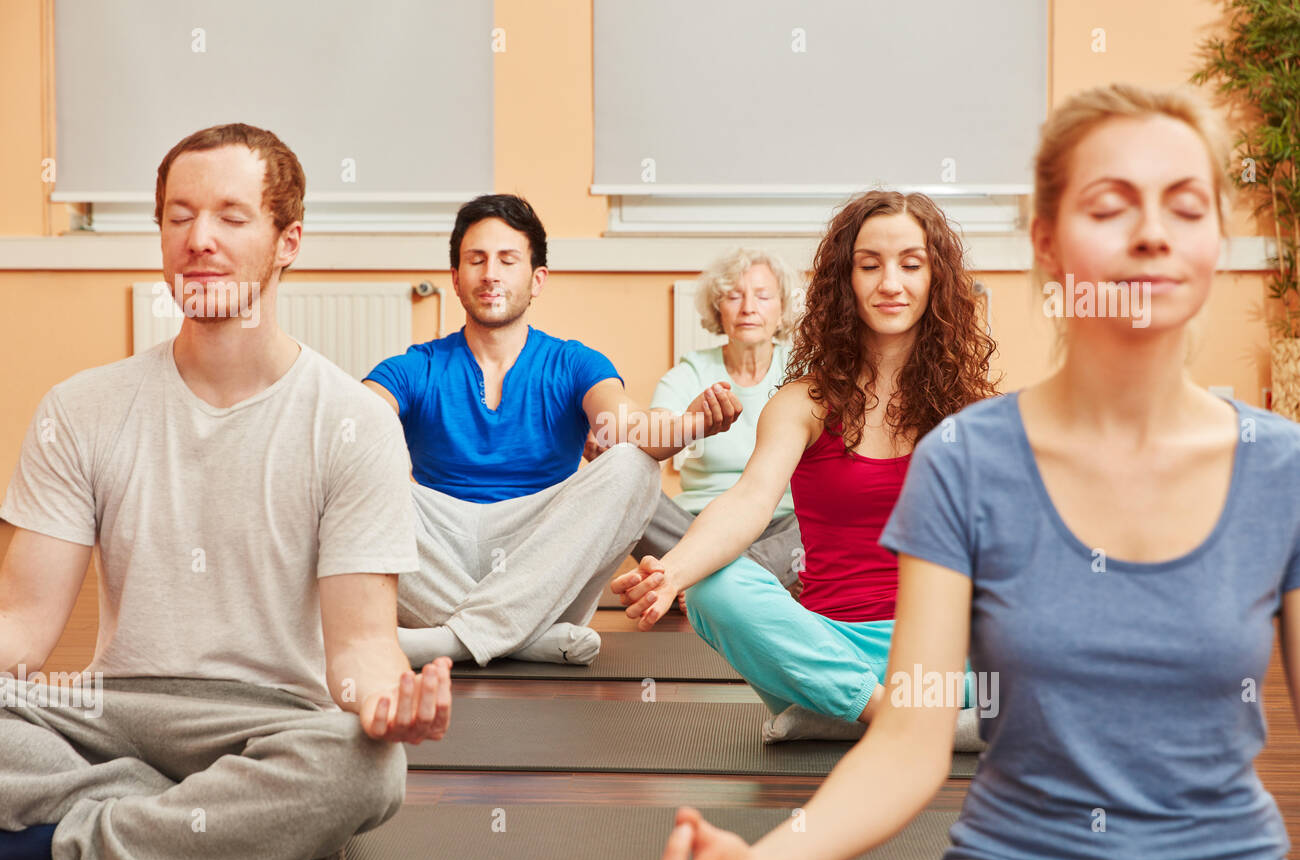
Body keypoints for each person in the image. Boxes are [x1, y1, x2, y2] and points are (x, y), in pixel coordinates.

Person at [660, 83, 1300, 860]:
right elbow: (907, 750)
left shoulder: (1282, 468)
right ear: (1046, 242)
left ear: (1218, 243)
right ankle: (844, 702)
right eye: (1109, 206)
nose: (1152, 235)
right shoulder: (971, 458)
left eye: (1188, 206)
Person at [0, 123, 450, 860]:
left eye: (230, 217)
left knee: (364, 766)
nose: (198, 239)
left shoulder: (355, 422)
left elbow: (362, 643)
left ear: (288, 241)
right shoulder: (79, 409)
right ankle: (208, 832)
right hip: (113, 713)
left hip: (271, 726)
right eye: (179, 217)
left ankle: (71, 846)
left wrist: (382, 700)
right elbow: (21, 627)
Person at [615, 190, 999, 745]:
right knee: (714, 588)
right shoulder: (803, 403)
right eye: (870, 266)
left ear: (936, 279)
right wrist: (673, 570)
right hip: (827, 647)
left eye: (910, 265)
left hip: (939, 649)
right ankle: (898, 719)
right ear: (845, 281)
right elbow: (749, 501)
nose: (890, 282)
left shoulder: (970, 415)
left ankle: (840, 716)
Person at [363, 195, 742, 670]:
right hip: (439, 549)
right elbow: (356, 423)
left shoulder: (573, 362)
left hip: (540, 559)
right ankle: (520, 639)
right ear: (456, 279)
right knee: (341, 472)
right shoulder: (415, 366)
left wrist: (690, 425)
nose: (491, 274)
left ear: (536, 279)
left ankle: (453, 640)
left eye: (508, 260)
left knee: (632, 464)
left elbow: (631, 428)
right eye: (475, 260)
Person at [627, 249, 805, 598]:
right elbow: (651, 434)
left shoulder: (803, 372)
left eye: (763, 296)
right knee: (627, 487)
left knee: (829, 514)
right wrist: (691, 423)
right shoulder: (691, 371)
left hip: (780, 530)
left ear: (782, 310)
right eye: (734, 296)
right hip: (693, 529)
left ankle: (697, 578)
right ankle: (739, 585)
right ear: (717, 310)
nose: (748, 307)